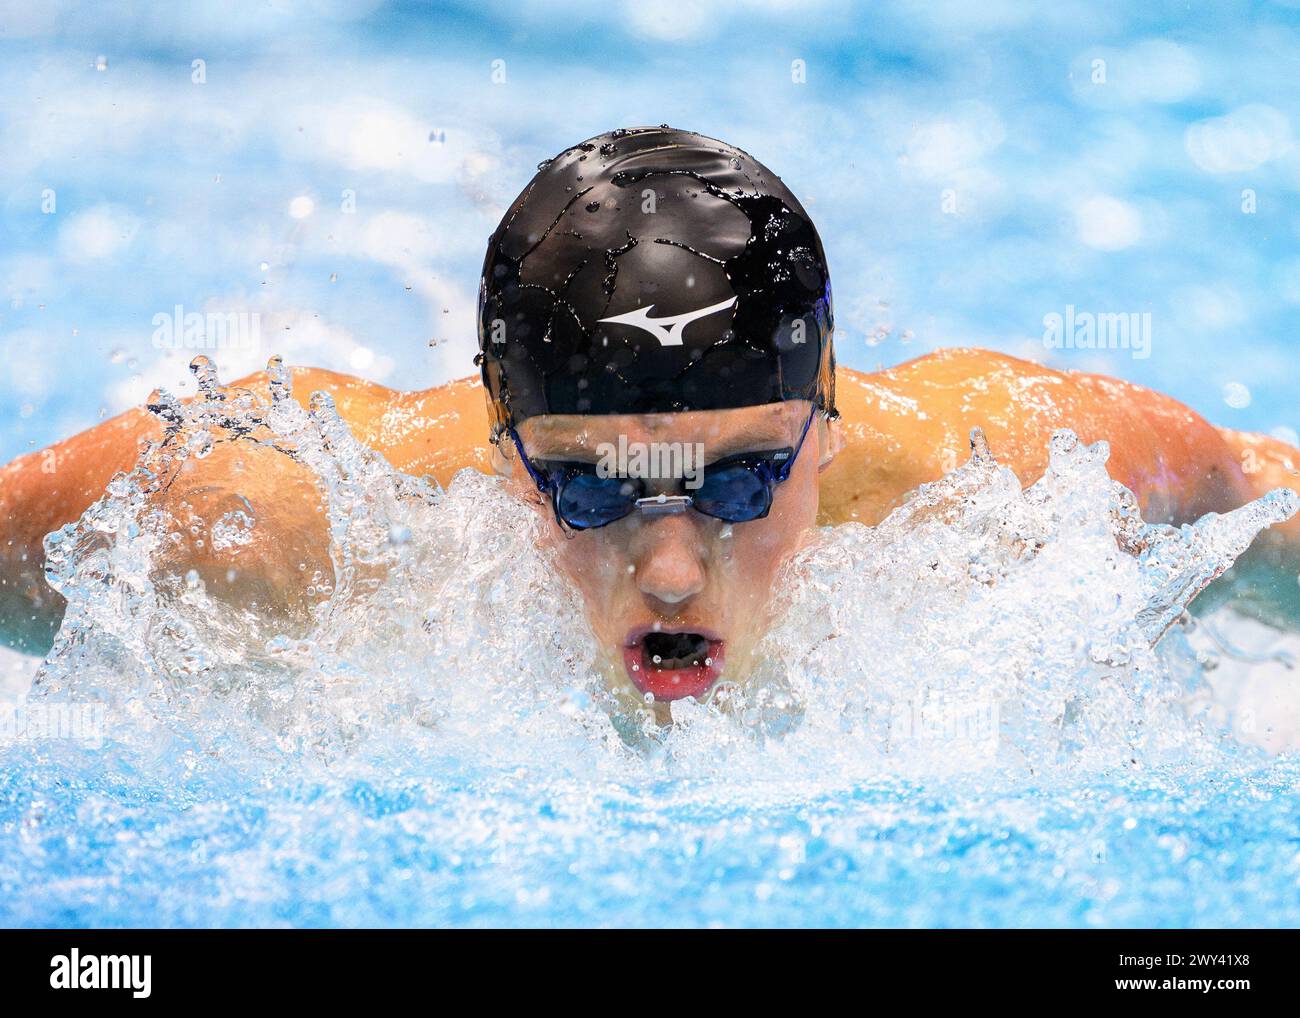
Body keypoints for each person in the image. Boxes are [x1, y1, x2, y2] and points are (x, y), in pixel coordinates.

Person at [1, 127, 1297, 706]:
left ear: (828, 419)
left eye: (738, 485)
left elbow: (1264, 496)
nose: (672, 567)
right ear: (505, 449)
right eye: (595, 489)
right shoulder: (277, 513)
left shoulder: (1014, 480)